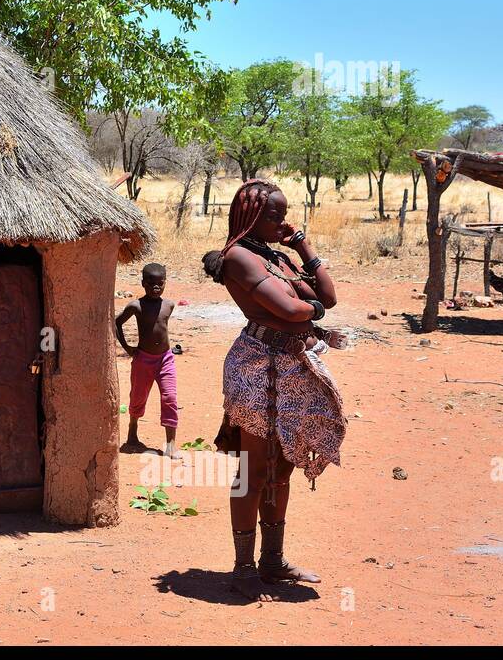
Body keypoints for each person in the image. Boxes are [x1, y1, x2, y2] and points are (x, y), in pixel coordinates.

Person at [202, 179, 347, 602]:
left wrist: (302, 245)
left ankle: (272, 560)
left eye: (284, 215)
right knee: (253, 469)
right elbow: (290, 309)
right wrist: (310, 310)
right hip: (258, 367)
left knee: (281, 468)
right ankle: (244, 568)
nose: (281, 221)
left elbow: (327, 297)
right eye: (273, 215)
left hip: (291, 366)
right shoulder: (240, 259)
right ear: (249, 216)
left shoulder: (276, 257)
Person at [115, 263, 180, 458]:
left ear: (165, 283)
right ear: (143, 283)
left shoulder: (169, 305)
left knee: (170, 398)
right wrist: (128, 348)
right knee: (137, 398)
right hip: (143, 360)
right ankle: (132, 434)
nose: (156, 287)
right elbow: (117, 322)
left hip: (165, 359)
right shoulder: (136, 306)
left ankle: (170, 444)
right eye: (151, 283)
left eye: (160, 283)